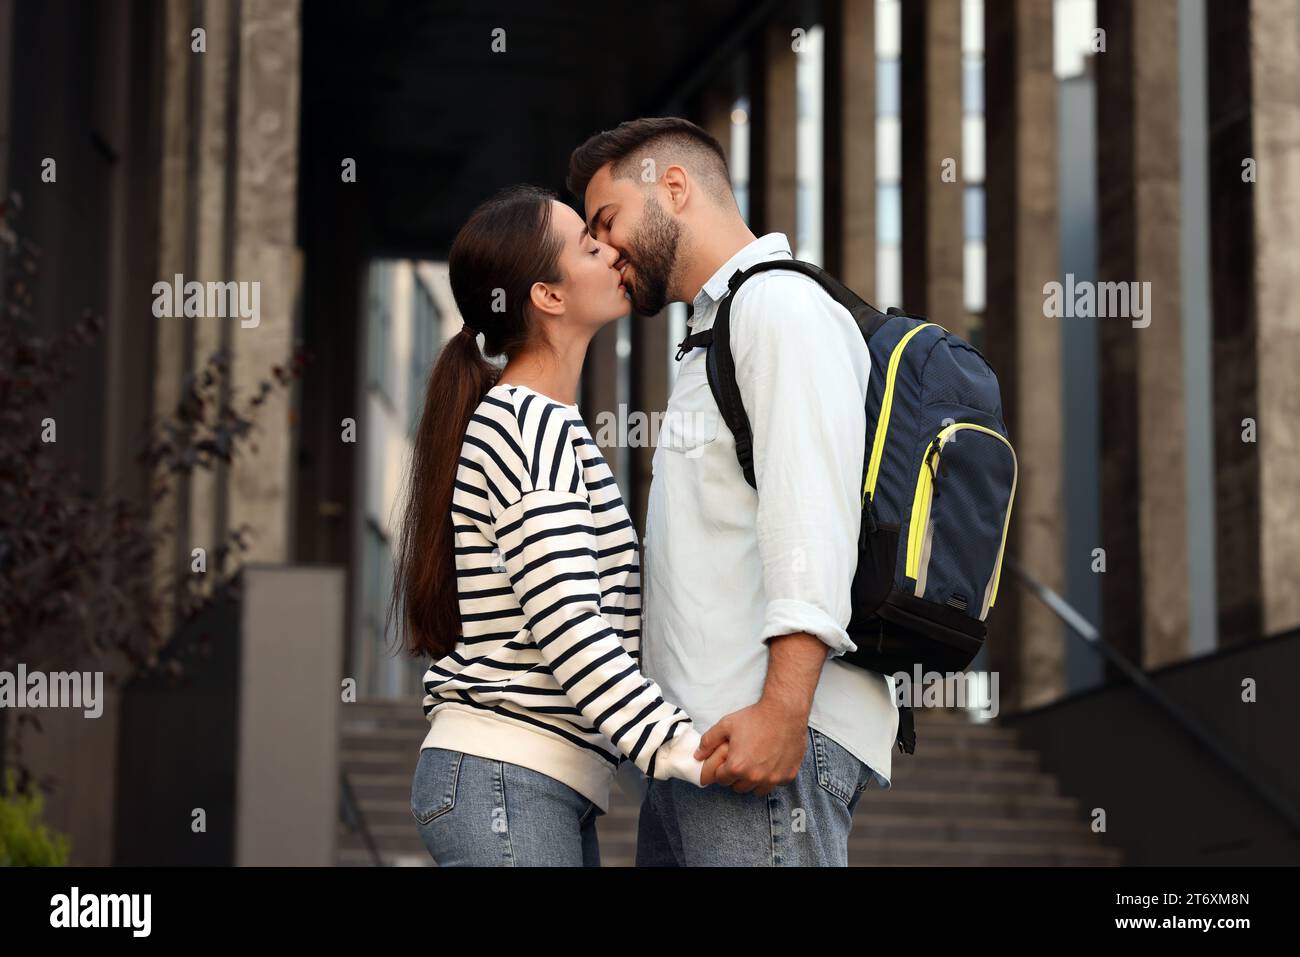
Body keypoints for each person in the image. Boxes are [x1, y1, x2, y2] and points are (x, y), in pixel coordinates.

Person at [567, 117, 900, 866]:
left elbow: (810, 513)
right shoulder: (714, 330)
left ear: (673, 188)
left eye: (607, 220)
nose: (602, 248)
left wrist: (783, 710)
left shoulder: (777, 308)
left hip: (762, 738)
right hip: (704, 747)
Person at [394, 184, 729, 867]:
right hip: (506, 780)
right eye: (587, 243)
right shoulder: (527, 423)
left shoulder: (543, 422)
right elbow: (570, 625)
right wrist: (680, 748)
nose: (611, 250)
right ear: (547, 296)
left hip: (527, 781)